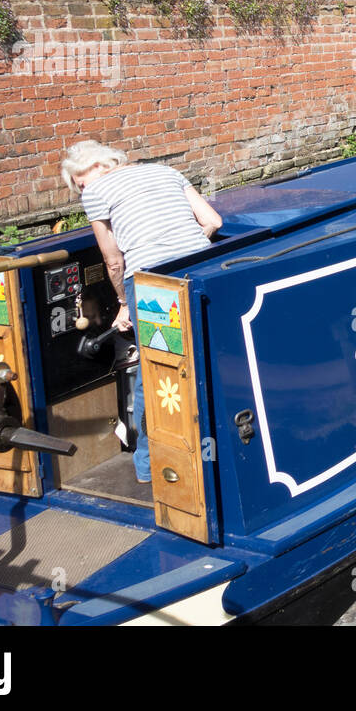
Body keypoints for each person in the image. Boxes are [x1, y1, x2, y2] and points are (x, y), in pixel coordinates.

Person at [60, 141, 222, 483]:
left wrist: (122, 305)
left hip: (151, 284)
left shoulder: (97, 191)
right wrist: (185, 249)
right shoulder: (167, 170)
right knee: (204, 356)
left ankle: (149, 466)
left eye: (80, 184)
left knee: (155, 371)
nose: (82, 191)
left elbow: (114, 260)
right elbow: (211, 221)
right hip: (202, 268)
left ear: (95, 169)